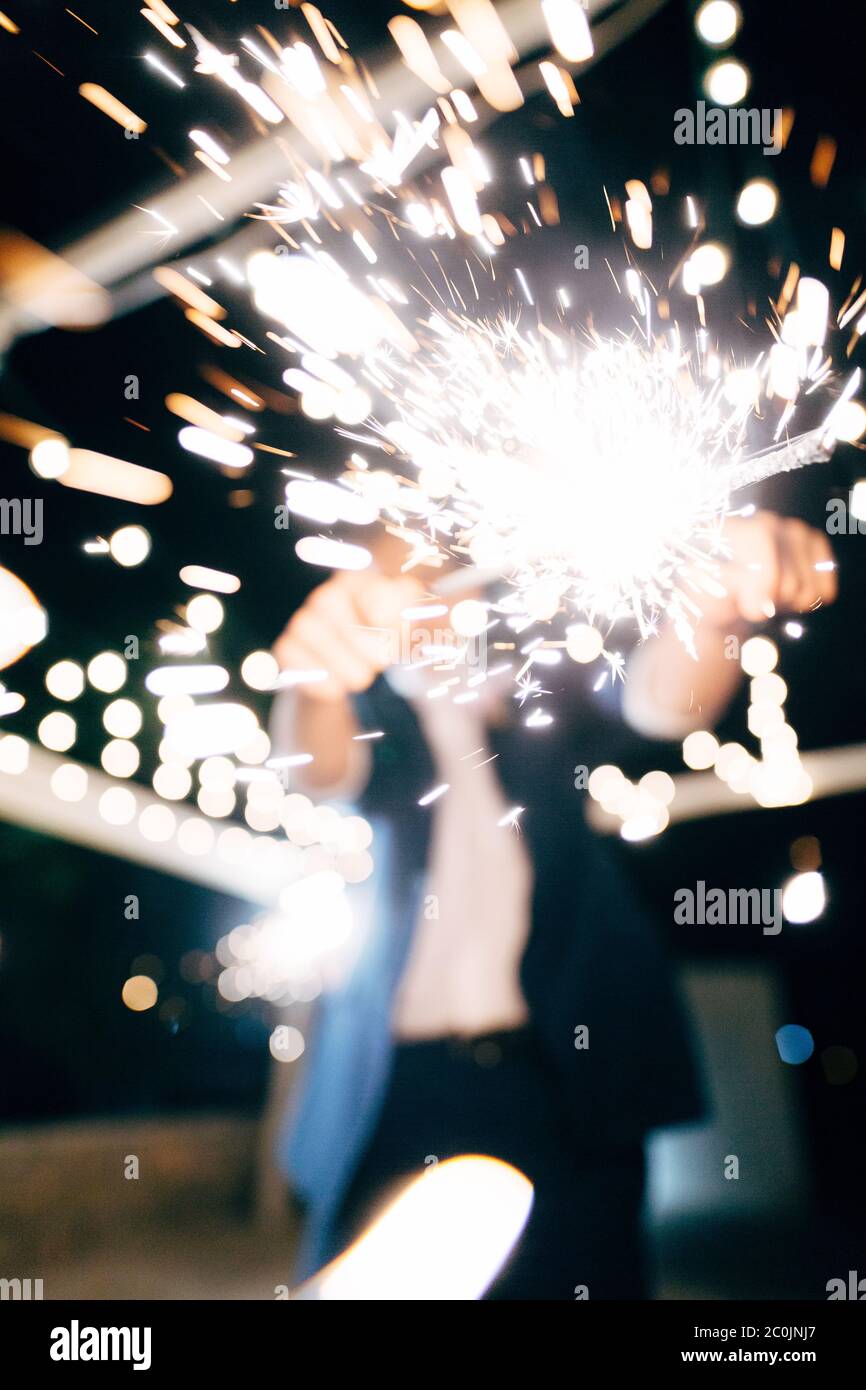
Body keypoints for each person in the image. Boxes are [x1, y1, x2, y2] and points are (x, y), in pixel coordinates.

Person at [270, 512, 836, 1299]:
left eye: (432, 572)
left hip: (565, 1075)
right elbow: (313, 767)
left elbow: (662, 702)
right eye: (391, 578)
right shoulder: (374, 719)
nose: (418, 595)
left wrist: (713, 609)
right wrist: (312, 678)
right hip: (401, 1085)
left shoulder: (544, 693)